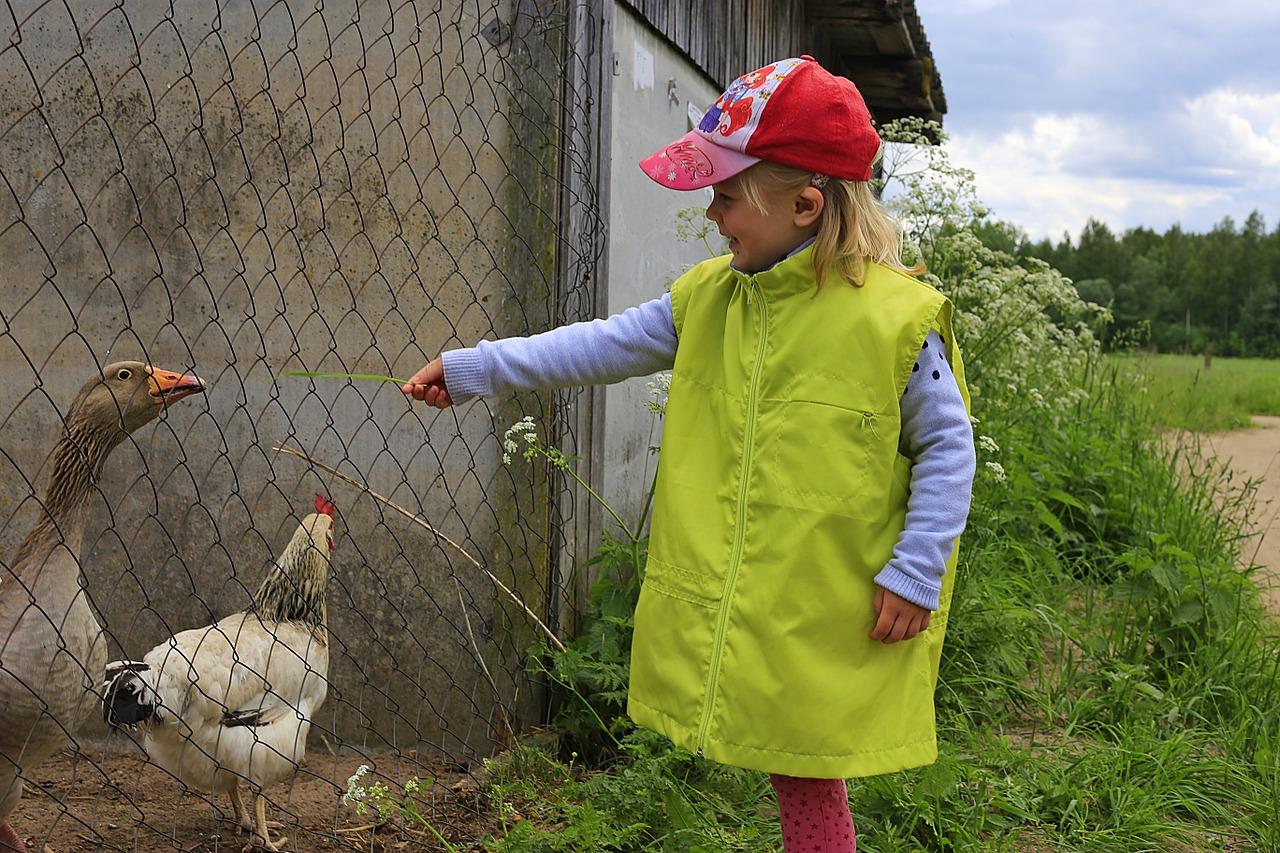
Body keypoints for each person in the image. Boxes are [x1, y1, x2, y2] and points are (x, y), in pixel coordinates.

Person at [403, 56, 975, 853]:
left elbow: (949, 447)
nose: (711, 212)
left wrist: (917, 566)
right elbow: (596, 347)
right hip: (755, 598)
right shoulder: (709, 298)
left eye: (727, 194)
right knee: (798, 768)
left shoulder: (895, 322)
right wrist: (477, 368)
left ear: (805, 205)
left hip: (831, 597)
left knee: (807, 765)